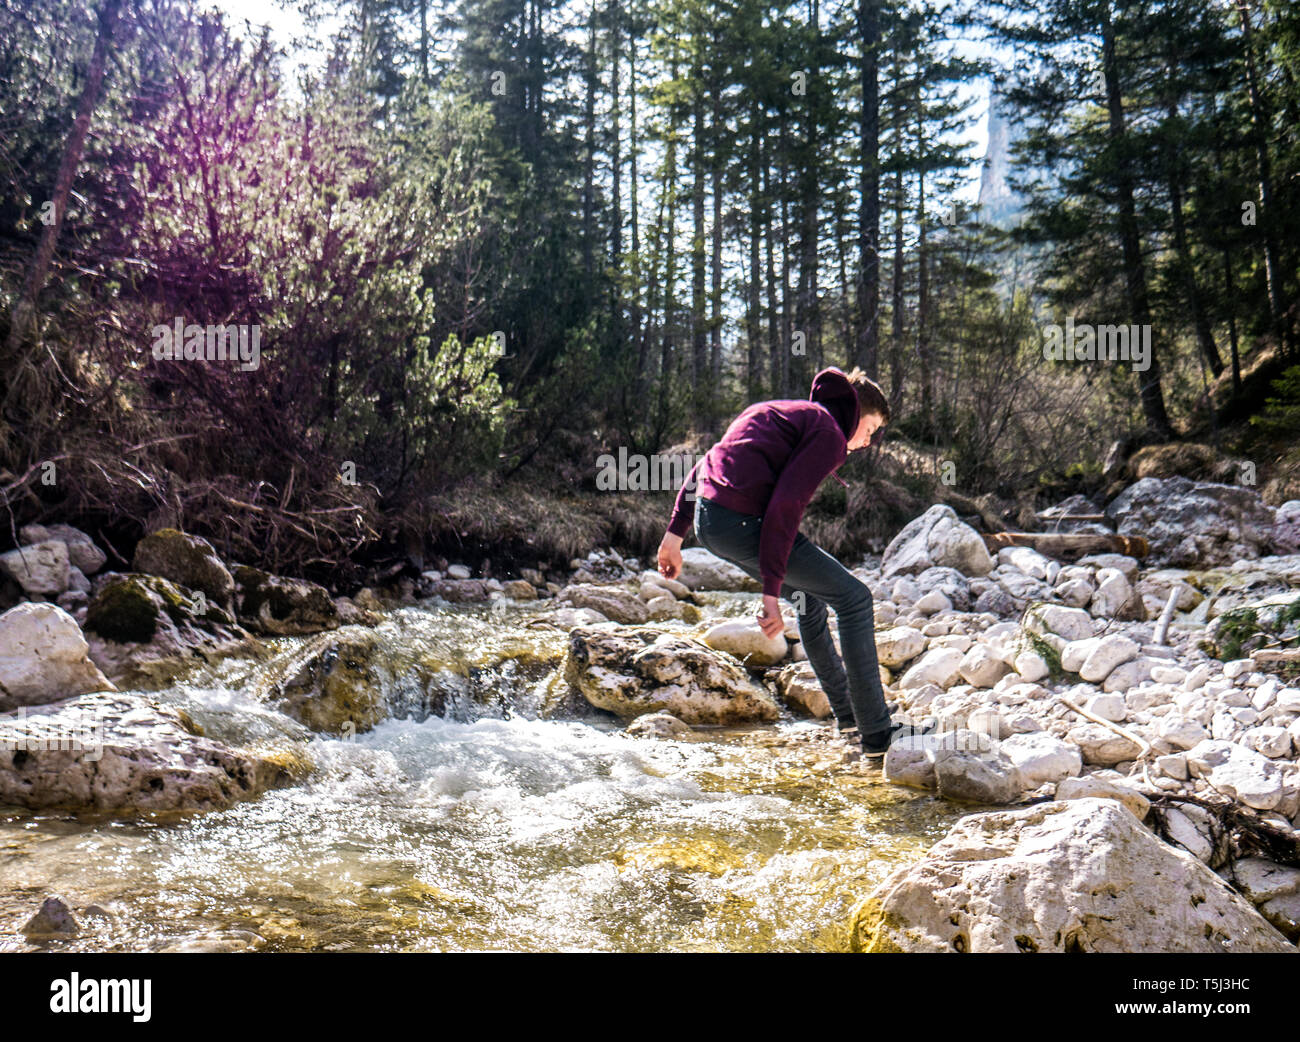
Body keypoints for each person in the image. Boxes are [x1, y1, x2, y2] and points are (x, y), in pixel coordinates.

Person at [656, 366, 929, 760]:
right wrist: (770, 592)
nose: (868, 442)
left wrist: (675, 533)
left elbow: (709, 462)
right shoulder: (828, 433)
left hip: (712, 524)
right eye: (870, 430)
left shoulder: (781, 411)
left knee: (810, 600)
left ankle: (851, 716)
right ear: (856, 413)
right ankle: (878, 734)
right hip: (742, 523)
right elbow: (785, 508)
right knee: (855, 600)